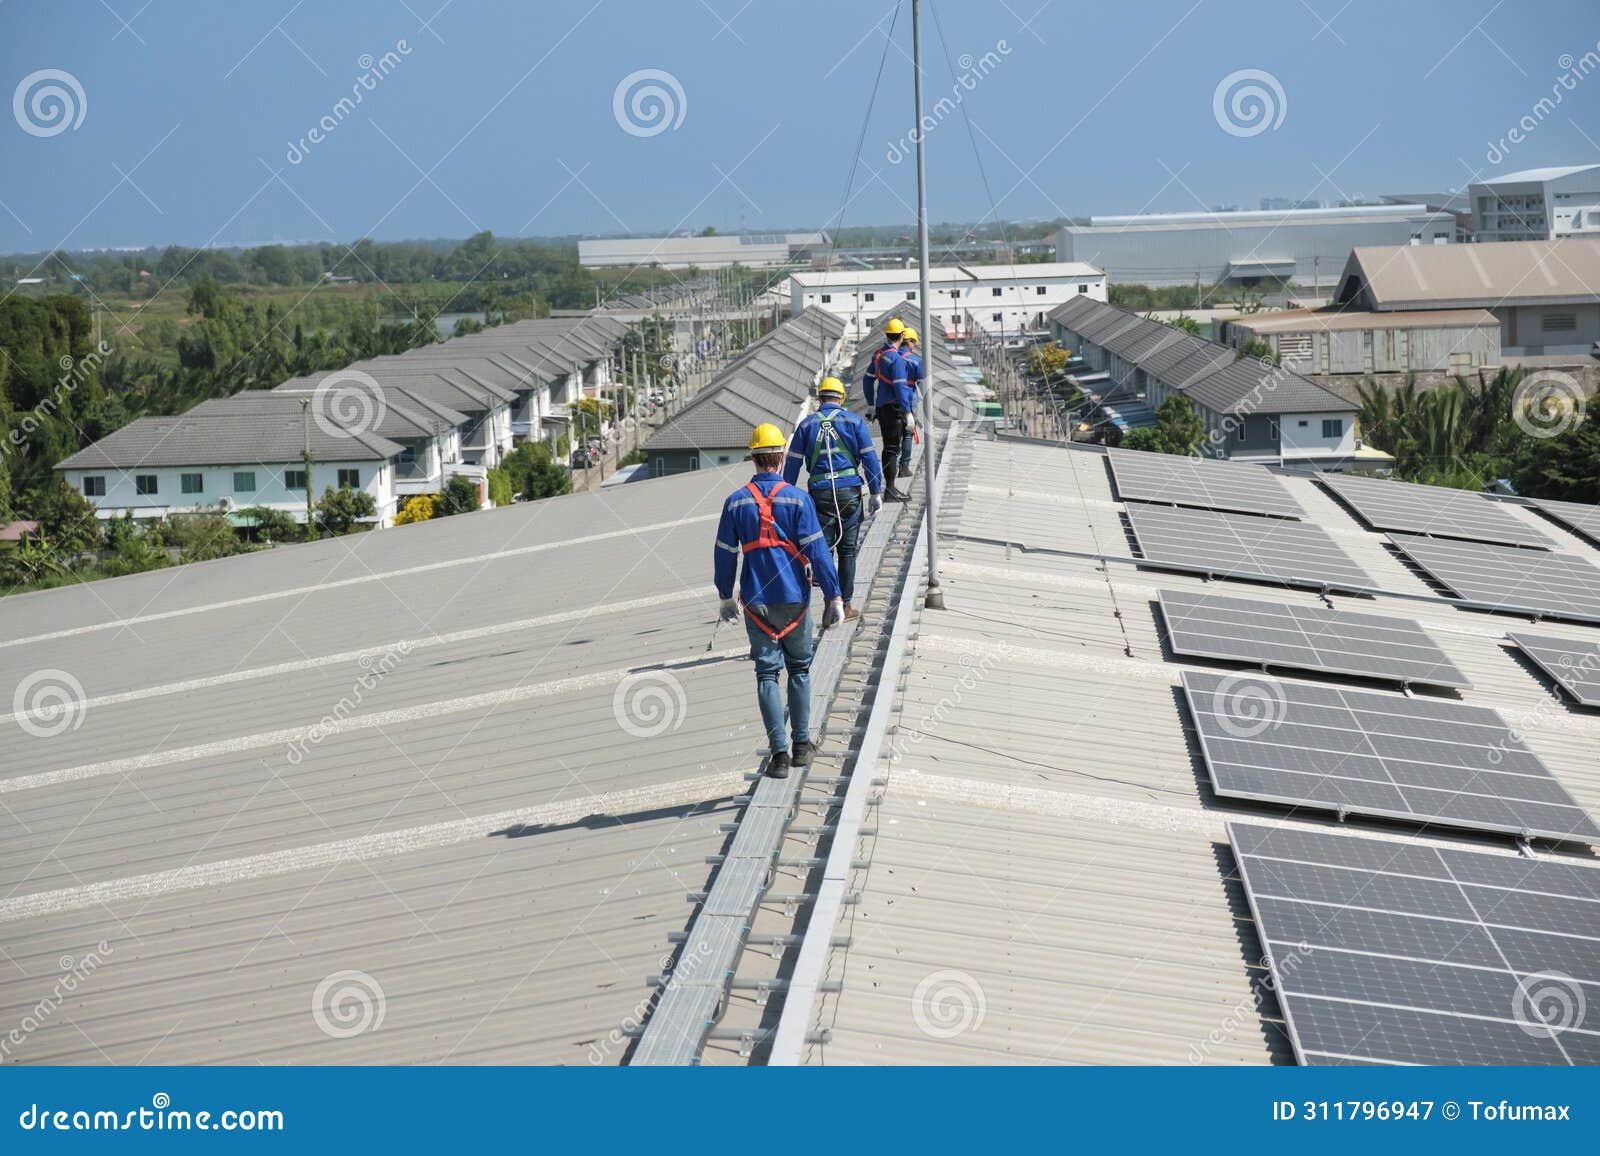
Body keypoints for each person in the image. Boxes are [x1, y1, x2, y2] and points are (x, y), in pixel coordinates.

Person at [715, 423, 844, 779]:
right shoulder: (798, 499)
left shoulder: (735, 502)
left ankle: (779, 756)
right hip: (794, 598)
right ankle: (802, 745)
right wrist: (833, 594)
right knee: (799, 669)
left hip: (756, 600)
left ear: (753, 458)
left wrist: (724, 595)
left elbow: (725, 553)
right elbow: (818, 551)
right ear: (782, 457)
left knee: (766, 674)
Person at [784, 377, 884, 621]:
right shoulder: (854, 422)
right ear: (842, 399)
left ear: (820, 399)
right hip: (849, 491)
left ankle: (831, 604)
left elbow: (793, 464)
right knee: (847, 551)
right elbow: (869, 459)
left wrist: (785, 497)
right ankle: (846, 606)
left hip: (820, 494)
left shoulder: (806, 425)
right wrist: (875, 491)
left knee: (823, 550)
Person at [864, 320, 911, 501]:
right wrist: (907, 411)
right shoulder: (896, 359)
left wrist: (870, 404)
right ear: (902, 336)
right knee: (892, 449)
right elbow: (900, 387)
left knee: (888, 448)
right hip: (893, 409)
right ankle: (890, 490)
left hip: (881, 408)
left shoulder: (878, 354)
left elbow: (867, 380)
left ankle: (890, 488)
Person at [898, 327, 923, 478]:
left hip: (889, 400)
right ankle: (904, 466)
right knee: (908, 433)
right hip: (909, 400)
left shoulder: (889, 357)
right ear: (910, 342)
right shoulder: (915, 360)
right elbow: (922, 384)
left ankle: (892, 466)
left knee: (893, 435)